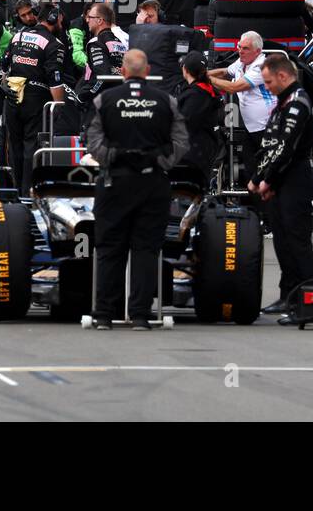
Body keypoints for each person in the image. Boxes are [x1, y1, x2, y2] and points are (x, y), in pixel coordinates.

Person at [85, 49, 188, 329]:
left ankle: (105, 314)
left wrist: (115, 156)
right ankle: (141, 316)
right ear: (147, 70)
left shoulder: (104, 99)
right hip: (152, 182)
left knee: (109, 249)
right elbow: (181, 143)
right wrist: (157, 159)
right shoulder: (166, 100)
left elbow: (92, 142)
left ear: (123, 71)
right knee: (146, 249)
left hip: (114, 182)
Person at [245, 53, 313, 323]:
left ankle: (310, 300)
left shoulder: (298, 103)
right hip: (279, 181)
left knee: (297, 242)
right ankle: (289, 295)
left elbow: (287, 147)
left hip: (295, 179)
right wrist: (260, 176)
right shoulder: (282, 103)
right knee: (282, 240)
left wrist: (267, 179)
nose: (267, 87)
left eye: (268, 82)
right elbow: (269, 145)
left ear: (283, 76)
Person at [1, 4, 68, 191]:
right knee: (32, 145)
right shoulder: (54, 44)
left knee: (14, 146)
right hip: (36, 99)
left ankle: (15, 192)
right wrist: (59, 106)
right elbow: (54, 79)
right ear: (53, 18)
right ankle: (29, 193)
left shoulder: (17, 36)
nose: (61, 23)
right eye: (60, 19)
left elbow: (4, 65)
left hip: (12, 95)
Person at [207, 31, 275, 181]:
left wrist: (207, 79)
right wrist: (203, 73)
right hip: (250, 127)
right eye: (239, 46)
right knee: (252, 169)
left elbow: (234, 87)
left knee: (269, 170)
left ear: (257, 51)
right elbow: (226, 72)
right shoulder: (242, 61)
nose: (240, 51)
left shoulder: (261, 66)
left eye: (245, 48)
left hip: (267, 126)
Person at [175, 52, 221, 187]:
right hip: (201, 149)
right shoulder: (205, 90)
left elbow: (185, 123)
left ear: (185, 69)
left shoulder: (196, 94)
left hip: (193, 154)